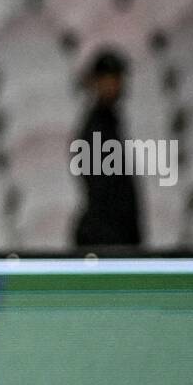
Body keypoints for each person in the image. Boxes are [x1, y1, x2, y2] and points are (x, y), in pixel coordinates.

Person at [73, 50, 143, 249]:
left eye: (117, 78)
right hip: (105, 237)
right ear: (95, 82)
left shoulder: (110, 122)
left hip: (115, 234)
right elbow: (101, 190)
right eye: (108, 79)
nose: (115, 85)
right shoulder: (96, 127)